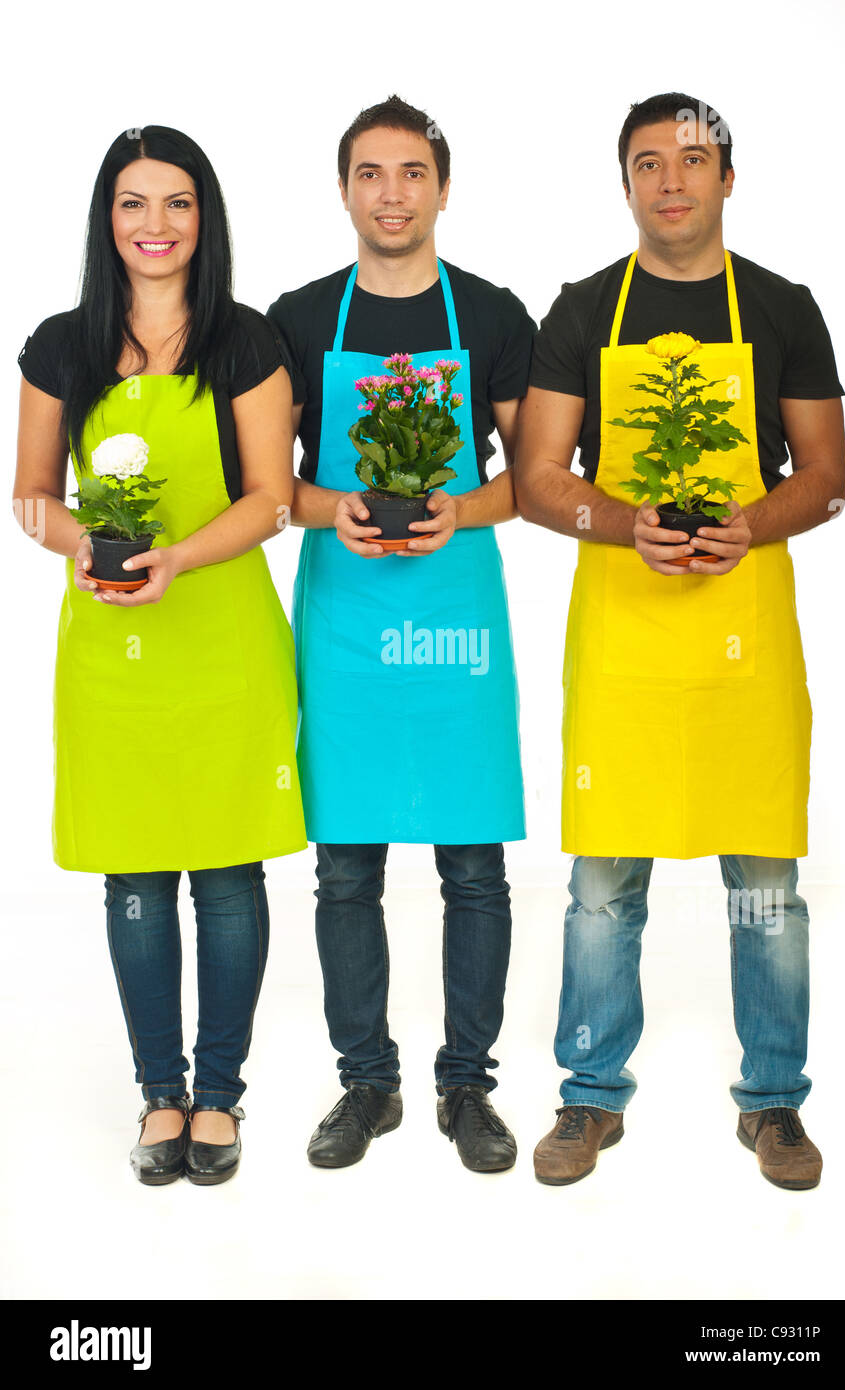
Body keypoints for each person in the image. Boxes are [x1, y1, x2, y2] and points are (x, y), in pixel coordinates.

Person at [515, 93, 845, 1189]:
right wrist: (627, 523)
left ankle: (775, 1104)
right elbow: (536, 479)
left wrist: (748, 522)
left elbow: (829, 477)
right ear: (627, 186)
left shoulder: (785, 307)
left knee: (768, 885)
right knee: (605, 882)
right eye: (649, 163)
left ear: (727, 179)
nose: (671, 181)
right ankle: (589, 1095)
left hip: (744, 633)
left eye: (692, 160)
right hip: (624, 633)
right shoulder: (581, 310)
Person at [14, 125, 307, 1186]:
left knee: (228, 872)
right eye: (134, 203)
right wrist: (84, 542)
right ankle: (160, 1093)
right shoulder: (63, 345)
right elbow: (31, 498)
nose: (155, 225)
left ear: (204, 218)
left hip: (222, 635)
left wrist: (177, 555)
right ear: (107, 218)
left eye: (177, 203)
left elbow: (273, 500)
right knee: (135, 877)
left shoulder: (245, 341)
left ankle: (218, 1094)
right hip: (112, 648)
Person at [267, 95, 534, 1173]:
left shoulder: (493, 313)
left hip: (458, 616)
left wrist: (452, 510)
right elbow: (266, 486)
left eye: (411, 173)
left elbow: (536, 477)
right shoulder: (294, 318)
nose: (391, 194)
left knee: (473, 865)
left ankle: (467, 1086)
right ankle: (365, 1084)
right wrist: (343, 511)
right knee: (345, 869)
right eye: (371, 174)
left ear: (442, 187)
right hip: (347, 619)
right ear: (343, 190)